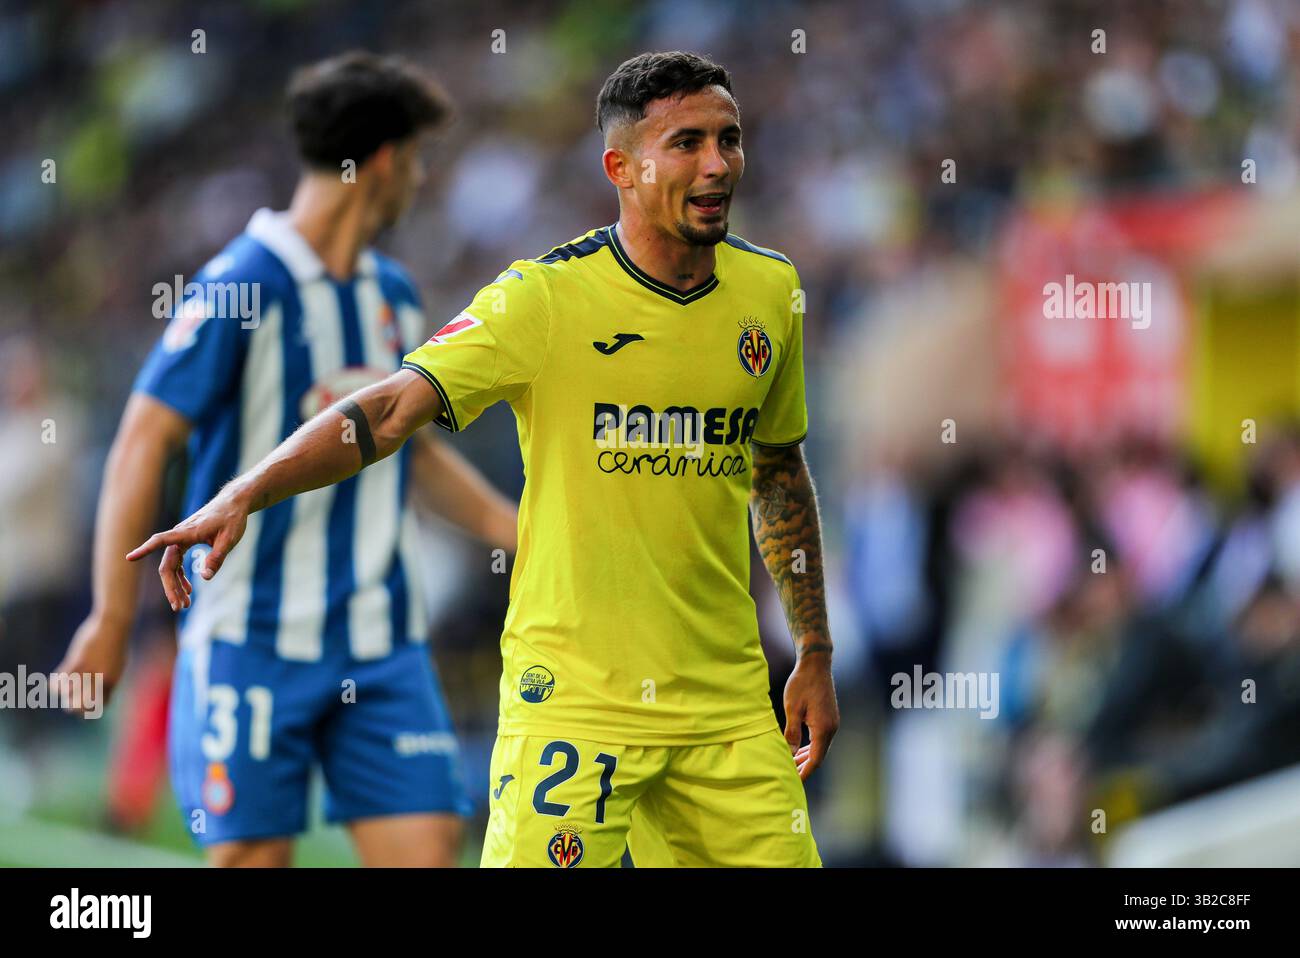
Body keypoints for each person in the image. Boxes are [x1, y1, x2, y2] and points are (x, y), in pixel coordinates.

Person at [129, 50, 838, 868]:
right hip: (577, 707)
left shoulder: (770, 292)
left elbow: (779, 472)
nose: (718, 165)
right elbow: (391, 408)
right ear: (622, 167)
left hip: (728, 710)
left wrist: (813, 651)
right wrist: (245, 493)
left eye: (730, 139)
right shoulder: (542, 299)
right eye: (687, 143)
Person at [61, 51, 518, 867]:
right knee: (251, 861)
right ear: (381, 160)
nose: (416, 182)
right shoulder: (243, 284)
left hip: (378, 641)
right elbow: (143, 438)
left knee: (428, 848)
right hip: (251, 636)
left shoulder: (395, 295)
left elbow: (400, 445)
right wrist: (112, 617)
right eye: (413, 160)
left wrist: (507, 526)